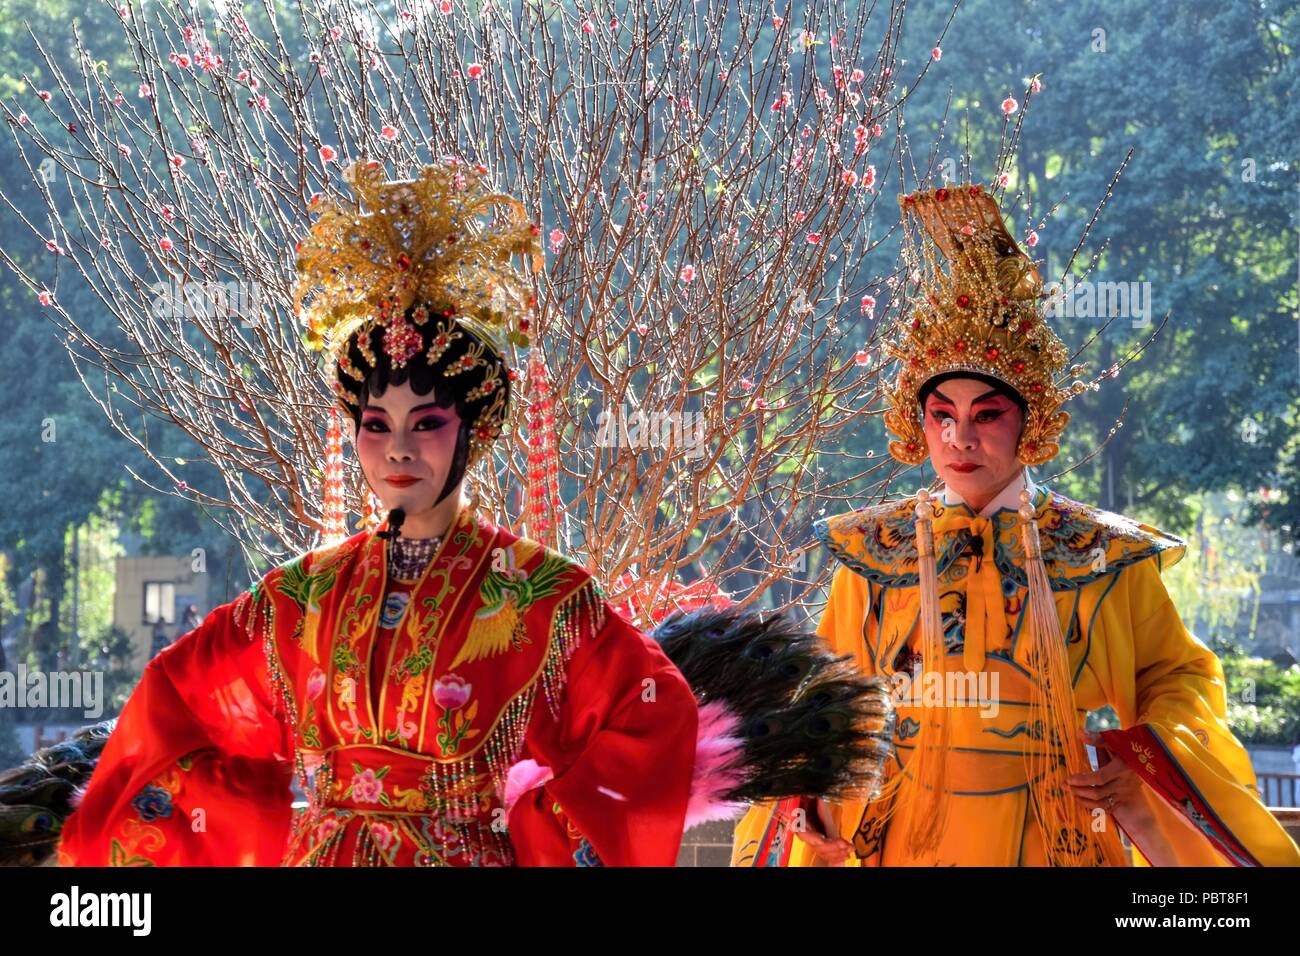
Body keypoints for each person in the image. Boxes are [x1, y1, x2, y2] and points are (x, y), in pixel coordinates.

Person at [49, 161, 892, 867]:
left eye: (427, 424)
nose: (398, 450)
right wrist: (167, 817)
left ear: (474, 432)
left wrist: (541, 828)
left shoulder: (544, 598)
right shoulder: (299, 598)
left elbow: (653, 712)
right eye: (376, 426)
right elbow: (182, 700)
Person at [731, 182, 1300, 867]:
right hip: (904, 835)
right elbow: (824, 701)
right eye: (941, 414)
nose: (960, 438)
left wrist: (1142, 759)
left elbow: (1179, 681)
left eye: (986, 415)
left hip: (1057, 831)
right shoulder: (874, 554)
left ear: (1030, 423)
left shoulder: (1097, 554)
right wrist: (804, 799)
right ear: (920, 427)